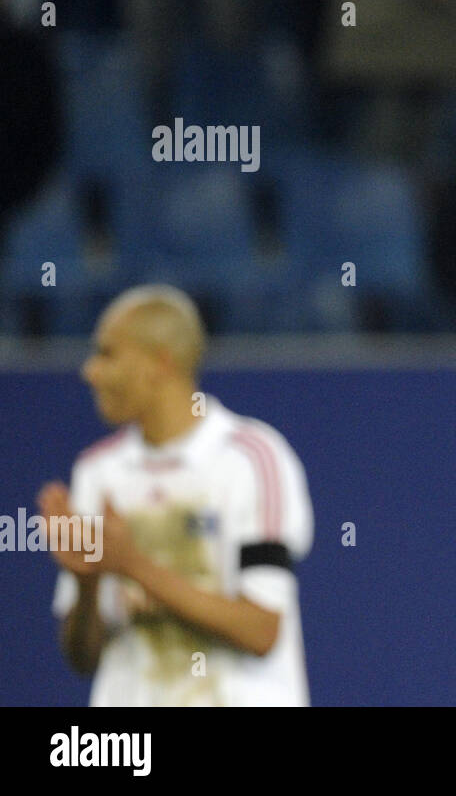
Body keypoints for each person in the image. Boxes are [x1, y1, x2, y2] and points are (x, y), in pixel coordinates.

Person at [39, 285, 313, 706]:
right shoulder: (97, 471)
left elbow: (260, 630)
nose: (91, 371)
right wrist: (87, 582)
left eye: (108, 354)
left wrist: (132, 565)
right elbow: (83, 659)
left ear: (160, 362)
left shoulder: (254, 460)